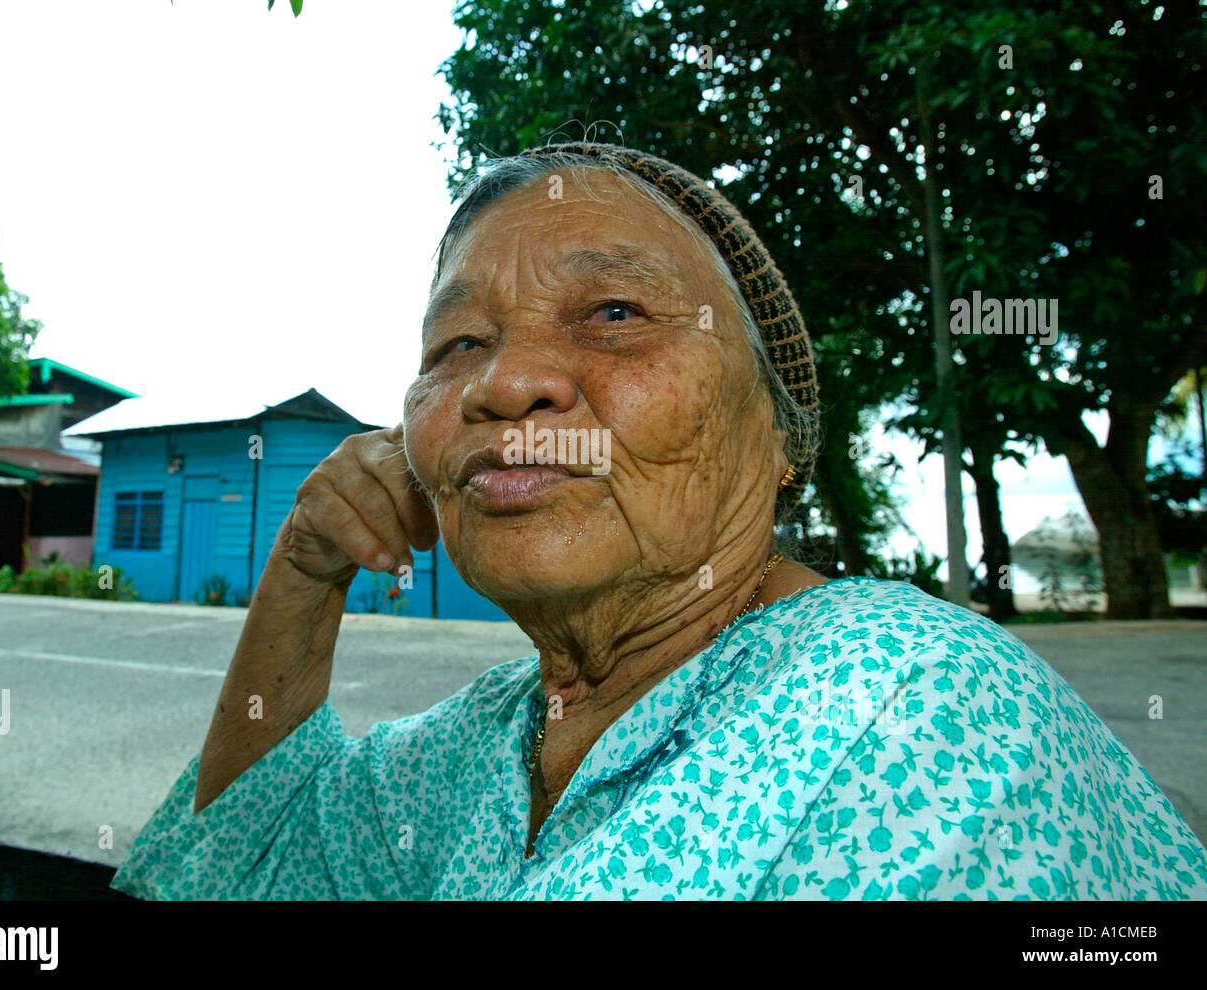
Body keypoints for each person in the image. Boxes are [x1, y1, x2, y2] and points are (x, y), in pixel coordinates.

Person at [111, 144, 1206, 900]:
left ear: (777, 437)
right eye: (459, 344)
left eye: (615, 314)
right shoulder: (478, 745)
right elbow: (236, 870)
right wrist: (304, 570)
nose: (506, 382)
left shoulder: (919, 707)